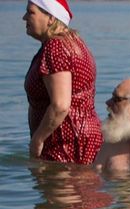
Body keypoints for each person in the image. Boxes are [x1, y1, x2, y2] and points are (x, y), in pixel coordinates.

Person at [23, 0, 102, 164]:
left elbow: (60, 105)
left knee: (62, 189)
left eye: (31, 12)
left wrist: (38, 139)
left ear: (51, 18)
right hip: (82, 138)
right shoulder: (73, 42)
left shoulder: (56, 47)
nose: (24, 18)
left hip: (66, 144)